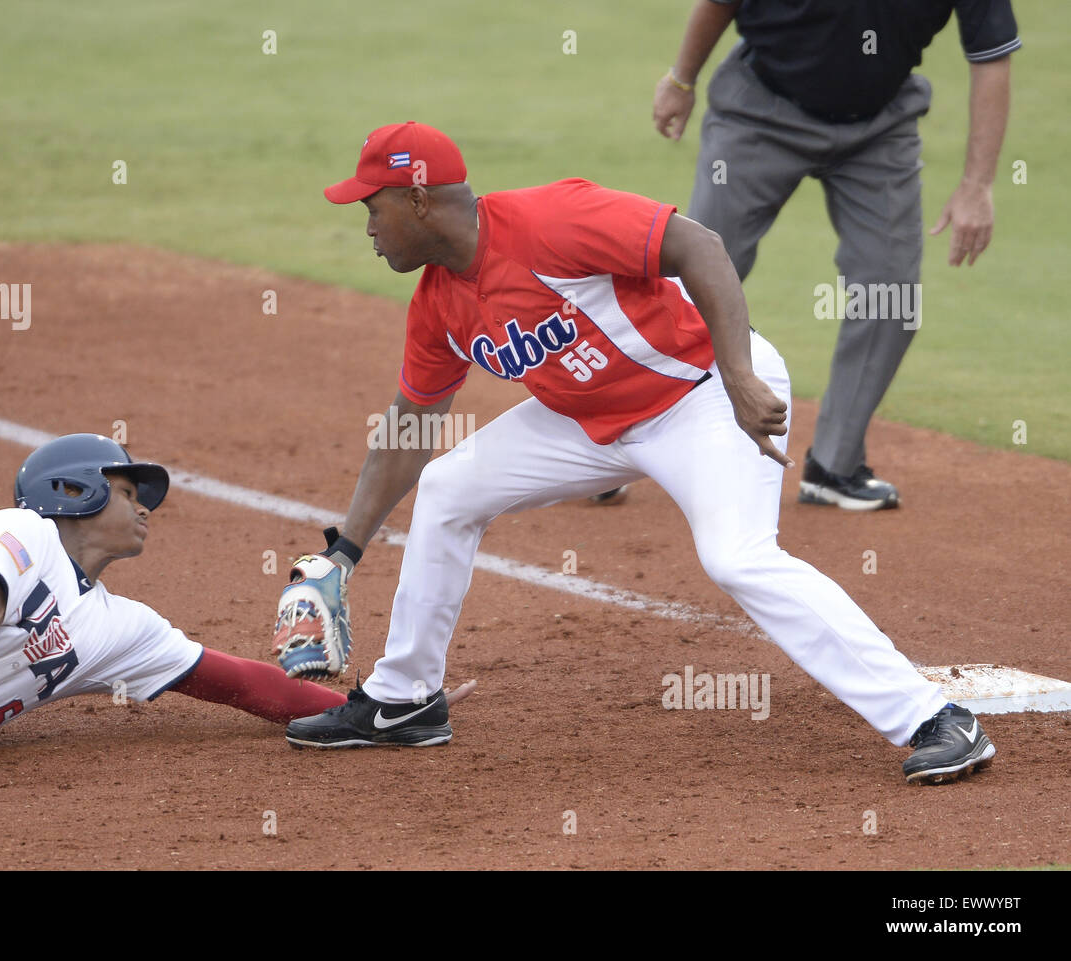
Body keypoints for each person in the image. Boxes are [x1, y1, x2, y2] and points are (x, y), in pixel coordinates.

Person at [276, 121, 994, 784]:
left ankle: (936, 718)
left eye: (374, 207)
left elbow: (700, 246)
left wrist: (739, 372)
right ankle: (404, 700)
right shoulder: (437, 303)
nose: (367, 227)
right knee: (448, 487)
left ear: (421, 198)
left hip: (702, 393)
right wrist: (344, 551)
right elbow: (410, 425)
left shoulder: (550, 219)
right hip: (588, 421)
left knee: (736, 556)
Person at [0, 432, 472, 779]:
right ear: (75, 491)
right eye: (131, 490)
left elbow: (236, 682)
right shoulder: (23, 532)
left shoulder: (115, 627)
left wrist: (382, 699)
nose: (145, 509)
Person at [652, 0, 1020, 510]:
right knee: (695, 273)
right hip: (759, 109)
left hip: (879, 127)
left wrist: (978, 184)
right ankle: (618, 432)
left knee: (889, 297)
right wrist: (681, 80)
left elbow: (991, 56)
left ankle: (834, 465)